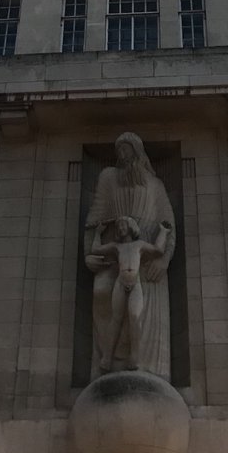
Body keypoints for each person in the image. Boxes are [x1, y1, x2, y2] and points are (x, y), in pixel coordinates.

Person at [84, 133, 176, 378]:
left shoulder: (156, 186)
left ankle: (147, 372)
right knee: (104, 298)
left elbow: (169, 224)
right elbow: (94, 221)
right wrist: (88, 254)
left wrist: (164, 259)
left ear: (137, 152)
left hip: (146, 264)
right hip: (114, 259)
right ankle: (108, 364)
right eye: (119, 151)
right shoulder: (108, 178)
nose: (122, 155)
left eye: (126, 150)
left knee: (139, 315)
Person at [91, 215, 172, 371]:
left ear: (130, 227)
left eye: (123, 225)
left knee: (134, 317)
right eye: (119, 226)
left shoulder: (140, 245)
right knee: (116, 319)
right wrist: (97, 233)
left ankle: (135, 357)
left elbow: (158, 250)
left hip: (135, 283)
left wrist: (163, 232)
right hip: (120, 282)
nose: (121, 228)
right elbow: (95, 250)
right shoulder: (116, 247)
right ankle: (107, 357)